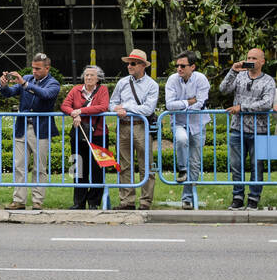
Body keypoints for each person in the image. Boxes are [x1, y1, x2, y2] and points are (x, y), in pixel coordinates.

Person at [0, 54, 61, 211]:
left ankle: (37, 201)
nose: (34, 71)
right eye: (33, 67)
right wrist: (4, 85)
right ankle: (18, 200)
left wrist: (25, 84)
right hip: (22, 127)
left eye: (38, 68)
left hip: (41, 129)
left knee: (39, 167)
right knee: (19, 165)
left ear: (47, 68)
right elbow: (10, 93)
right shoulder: (27, 78)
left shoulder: (53, 83)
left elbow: (45, 95)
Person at [220, 47, 275, 210]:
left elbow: (266, 103)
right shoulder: (240, 76)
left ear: (262, 61)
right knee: (236, 165)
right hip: (237, 129)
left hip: (260, 130)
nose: (250, 61)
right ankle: (237, 197)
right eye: (248, 57)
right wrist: (233, 71)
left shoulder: (269, 81)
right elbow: (223, 90)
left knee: (257, 165)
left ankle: (254, 198)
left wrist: (242, 107)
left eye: (254, 58)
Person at [110, 48, 160, 211]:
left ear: (142, 65)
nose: (129, 66)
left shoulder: (152, 85)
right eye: (128, 63)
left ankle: (145, 201)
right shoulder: (122, 82)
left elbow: (148, 109)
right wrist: (116, 109)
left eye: (133, 63)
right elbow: (112, 103)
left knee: (146, 165)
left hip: (141, 126)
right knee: (124, 165)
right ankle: (127, 201)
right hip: (123, 126)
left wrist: (125, 107)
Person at [60, 66, 110, 210]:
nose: (88, 78)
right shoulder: (76, 90)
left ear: (98, 78)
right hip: (79, 134)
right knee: (78, 168)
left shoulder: (103, 90)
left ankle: (94, 202)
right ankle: (79, 202)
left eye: (92, 75)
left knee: (98, 169)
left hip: (99, 134)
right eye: (86, 75)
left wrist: (80, 111)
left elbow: (103, 107)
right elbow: (64, 105)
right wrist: (74, 114)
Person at [165, 53, 210, 210]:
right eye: (177, 65)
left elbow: (202, 102)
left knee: (196, 162)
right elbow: (169, 105)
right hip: (178, 122)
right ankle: (182, 169)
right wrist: (189, 101)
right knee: (182, 139)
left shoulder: (201, 79)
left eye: (182, 66)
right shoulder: (172, 79)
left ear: (192, 67)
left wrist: (183, 105)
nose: (179, 68)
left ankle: (188, 198)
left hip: (198, 124)